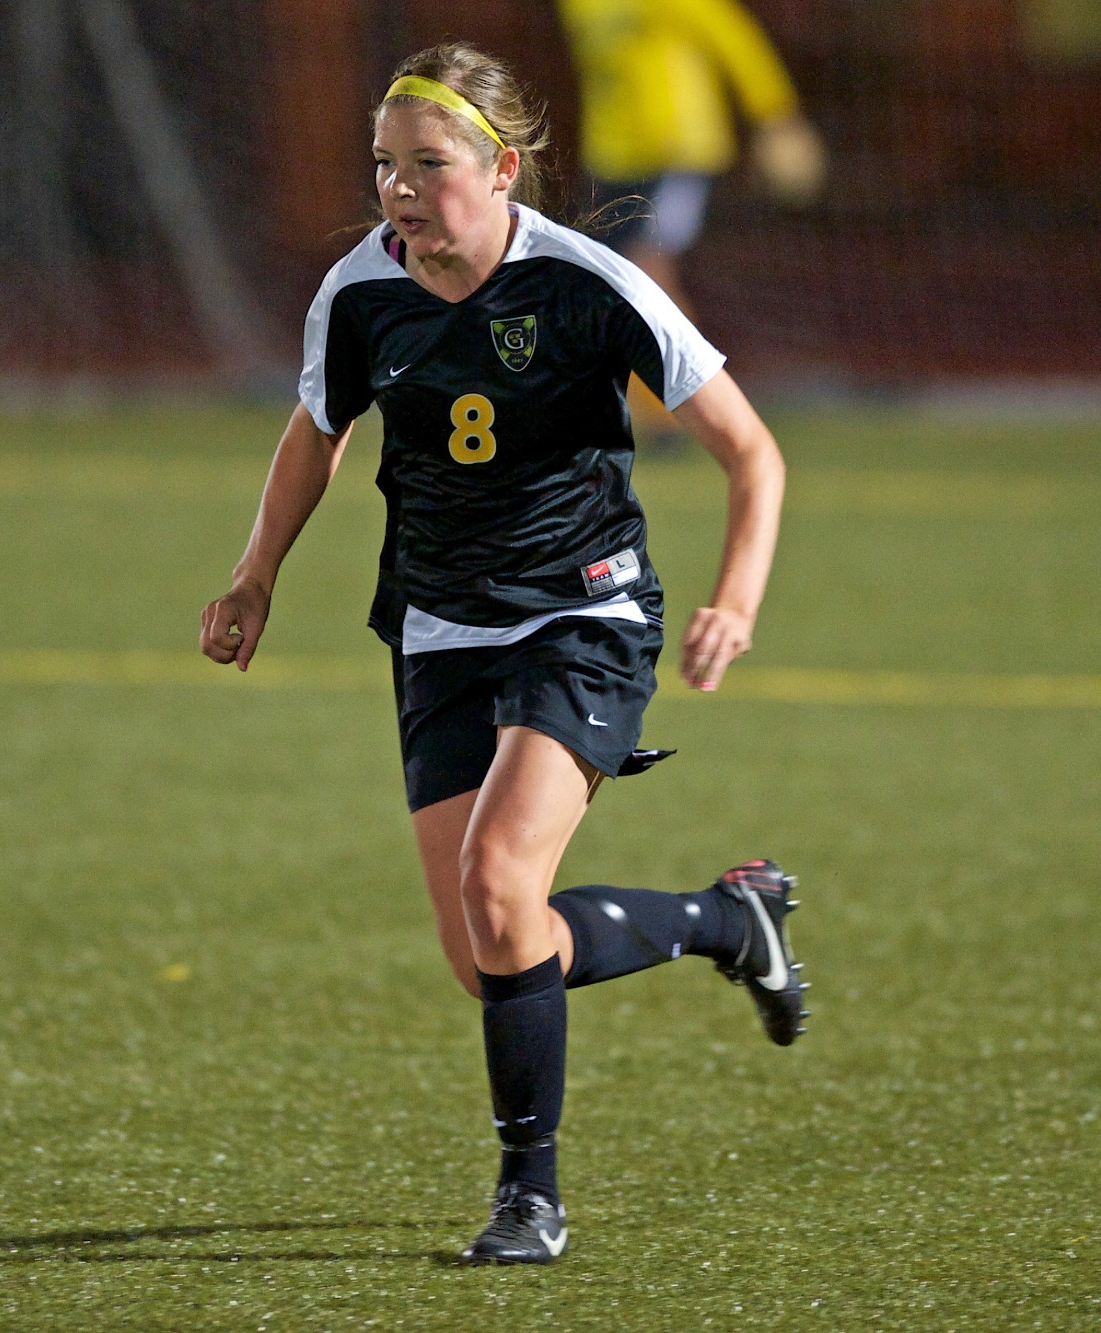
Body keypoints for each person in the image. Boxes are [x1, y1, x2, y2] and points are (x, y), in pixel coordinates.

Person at [198, 41, 806, 1266]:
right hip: (436, 630)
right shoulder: (358, 292)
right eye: (382, 167)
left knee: (496, 888)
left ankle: (528, 1198)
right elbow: (315, 433)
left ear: (501, 167)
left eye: (428, 165)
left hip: (582, 617)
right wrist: (255, 573)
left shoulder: (587, 285)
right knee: (490, 956)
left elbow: (752, 451)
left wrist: (734, 598)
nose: (401, 192)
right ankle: (724, 920)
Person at [558, 0, 825, 430]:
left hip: (678, 145)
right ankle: (617, 402)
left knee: (649, 270)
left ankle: (672, 409)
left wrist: (777, 117)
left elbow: (736, 41)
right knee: (597, 279)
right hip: (610, 154)